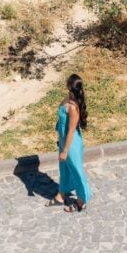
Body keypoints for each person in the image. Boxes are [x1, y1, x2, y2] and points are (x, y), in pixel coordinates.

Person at [47, 73, 92, 213]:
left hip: (71, 144)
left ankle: (81, 201)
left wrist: (65, 151)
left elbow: (71, 131)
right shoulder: (68, 97)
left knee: (77, 171)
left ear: (70, 85)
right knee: (64, 168)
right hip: (64, 139)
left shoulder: (73, 107)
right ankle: (61, 196)